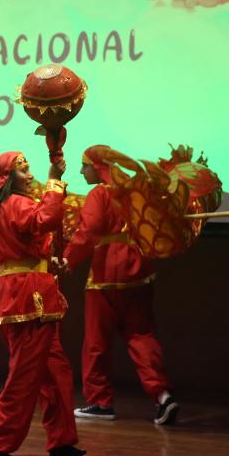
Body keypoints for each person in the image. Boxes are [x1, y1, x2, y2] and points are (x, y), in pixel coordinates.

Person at [0, 151, 86, 456]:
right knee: (24, 375)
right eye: (23, 171)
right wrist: (54, 180)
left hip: (27, 289)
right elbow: (45, 219)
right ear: (8, 178)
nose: (29, 175)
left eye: (29, 169)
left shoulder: (6, 205)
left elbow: (22, 241)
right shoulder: (15, 203)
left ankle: (62, 441)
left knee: (55, 372)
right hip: (26, 296)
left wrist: (42, 260)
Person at [64, 145, 178, 425]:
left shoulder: (100, 194)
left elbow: (89, 231)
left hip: (107, 272)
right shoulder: (133, 191)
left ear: (97, 166)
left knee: (96, 339)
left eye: (84, 165)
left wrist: (68, 260)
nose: (81, 171)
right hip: (138, 269)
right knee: (141, 335)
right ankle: (162, 396)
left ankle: (100, 401)